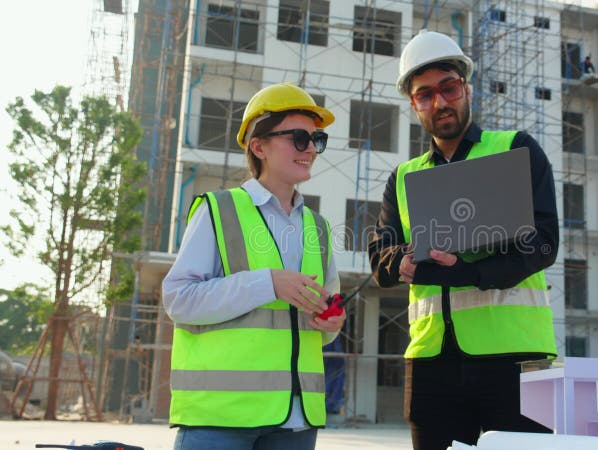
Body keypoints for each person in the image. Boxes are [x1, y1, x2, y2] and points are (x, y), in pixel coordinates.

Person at [368, 30, 559, 450]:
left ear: (465, 88)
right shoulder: (402, 177)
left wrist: (471, 271)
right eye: (424, 95)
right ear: (413, 104)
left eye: (448, 88)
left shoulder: (516, 150)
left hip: (514, 357)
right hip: (431, 364)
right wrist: (398, 258)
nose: (439, 102)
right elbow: (379, 256)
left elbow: (544, 242)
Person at [162, 82, 346, 450]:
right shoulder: (218, 210)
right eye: (298, 138)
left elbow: (325, 327)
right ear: (258, 146)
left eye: (316, 140)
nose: (310, 149)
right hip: (221, 418)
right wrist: (268, 284)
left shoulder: (320, 228)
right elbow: (178, 300)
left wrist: (330, 322)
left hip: (296, 420)